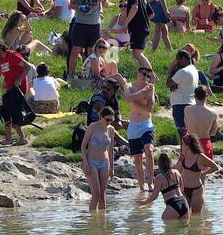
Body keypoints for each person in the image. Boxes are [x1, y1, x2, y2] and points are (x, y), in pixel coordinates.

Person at [80, 107, 123, 211]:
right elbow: (83, 146)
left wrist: (112, 168)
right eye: (107, 120)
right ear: (101, 117)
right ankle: (93, 221)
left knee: (103, 196)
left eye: (111, 120)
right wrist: (85, 163)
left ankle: (102, 223)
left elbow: (111, 150)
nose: (109, 122)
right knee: (96, 194)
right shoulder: (92, 127)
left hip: (105, 162)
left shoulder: (111, 130)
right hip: (91, 161)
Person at [124, 66, 157, 194]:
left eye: (148, 75)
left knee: (149, 150)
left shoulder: (150, 88)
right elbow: (127, 98)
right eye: (143, 74)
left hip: (146, 124)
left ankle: (151, 183)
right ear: (138, 73)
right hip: (133, 125)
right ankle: (142, 186)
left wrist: (134, 101)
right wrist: (140, 92)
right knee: (137, 158)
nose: (145, 77)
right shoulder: (129, 86)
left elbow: (149, 108)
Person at [138, 151, 190, 221]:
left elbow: (154, 196)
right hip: (184, 203)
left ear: (159, 164)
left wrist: (144, 202)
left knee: (167, 229)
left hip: (173, 204)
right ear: (170, 162)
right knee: (183, 230)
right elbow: (182, 189)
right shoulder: (176, 172)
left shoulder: (159, 177)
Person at [177, 132, 217, 215]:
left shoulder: (200, 156)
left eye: (183, 144)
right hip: (184, 190)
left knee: (197, 217)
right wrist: (179, 161)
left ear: (188, 145)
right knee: (185, 215)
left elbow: (215, 167)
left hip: (196, 191)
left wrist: (203, 173)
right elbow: (177, 171)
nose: (182, 146)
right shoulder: (183, 155)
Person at [166, 49, 199, 132]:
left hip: (180, 105)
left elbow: (168, 84)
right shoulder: (194, 69)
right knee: (189, 133)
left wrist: (172, 70)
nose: (177, 62)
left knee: (182, 135)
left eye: (178, 60)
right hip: (191, 103)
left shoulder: (183, 71)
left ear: (184, 59)